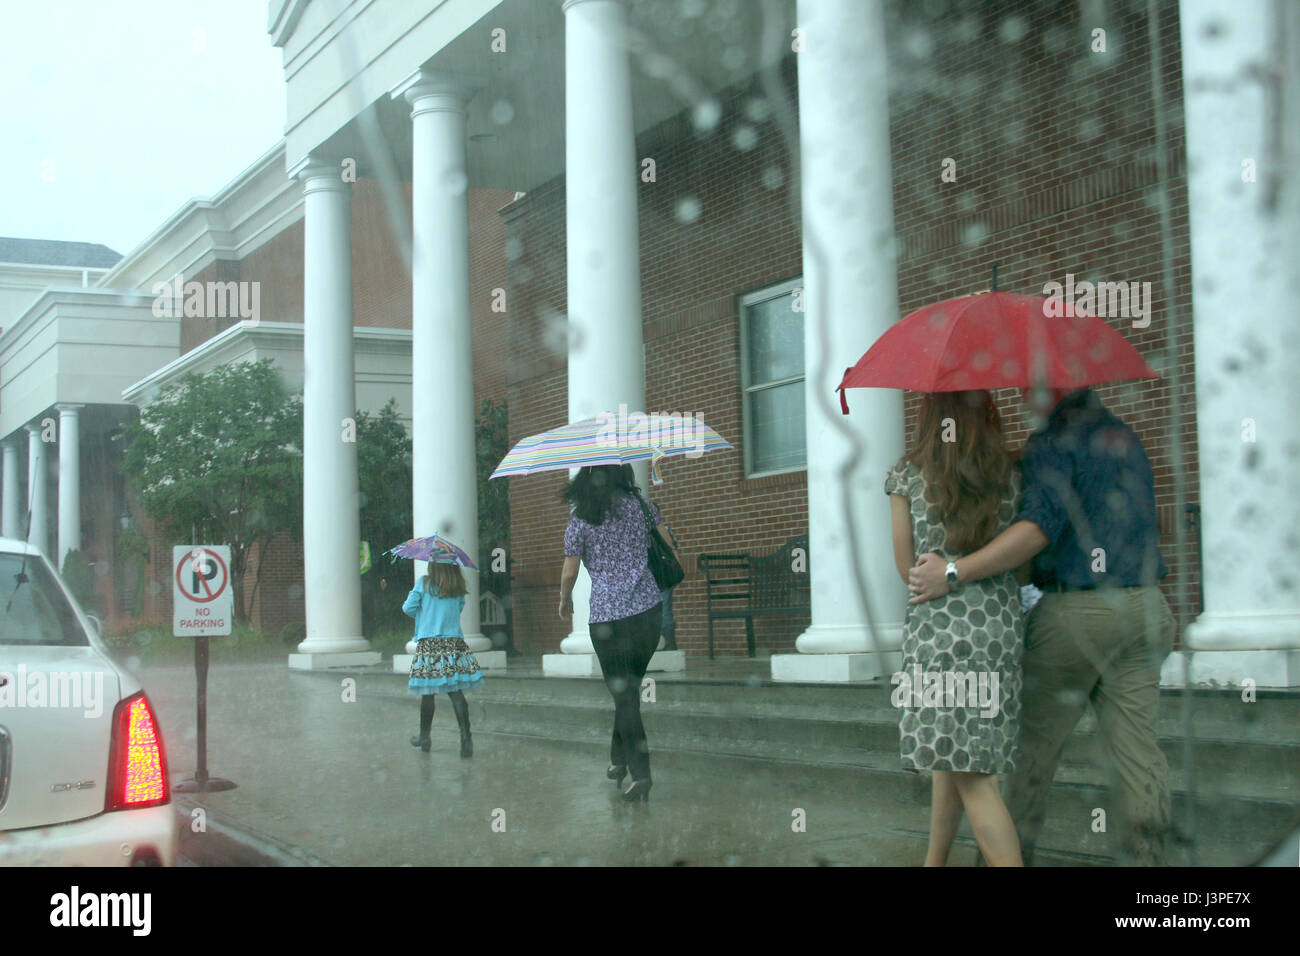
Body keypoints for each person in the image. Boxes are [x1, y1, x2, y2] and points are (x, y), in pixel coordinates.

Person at [909, 386, 1176, 865]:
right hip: (1146, 609)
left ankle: (1006, 860)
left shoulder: (1052, 441)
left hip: (1079, 613)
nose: (1023, 391)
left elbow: (1037, 530)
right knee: (1140, 758)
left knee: (1023, 753)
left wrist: (954, 572)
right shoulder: (1128, 437)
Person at [886, 389, 1025, 866]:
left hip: (939, 633)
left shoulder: (908, 473)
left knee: (973, 775)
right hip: (998, 625)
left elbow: (907, 566)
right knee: (956, 755)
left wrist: (940, 567)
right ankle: (934, 863)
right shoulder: (1010, 470)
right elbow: (1021, 556)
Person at [558, 464, 667, 803]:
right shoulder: (645, 509)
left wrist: (564, 600)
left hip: (608, 619)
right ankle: (618, 761)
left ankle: (642, 774)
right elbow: (672, 547)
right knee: (629, 689)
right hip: (649, 612)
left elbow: (570, 570)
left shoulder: (582, 517)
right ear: (625, 474)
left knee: (624, 694)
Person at [403, 562, 483, 758]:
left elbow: (408, 608)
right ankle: (466, 738)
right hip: (453, 644)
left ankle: (424, 737)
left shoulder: (424, 584)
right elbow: (459, 608)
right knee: (455, 691)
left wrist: (424, 610)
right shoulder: (457, 588)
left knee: (428, 693)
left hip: (430, 644)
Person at [650, 500, 681, 651]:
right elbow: (673, 550)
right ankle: (668, 644)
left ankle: (666, 644)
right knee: (665, 610)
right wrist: (675, 572)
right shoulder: (665, 530)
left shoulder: (641, 532)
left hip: (652, 576)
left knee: (660, 611)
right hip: (662, 575)